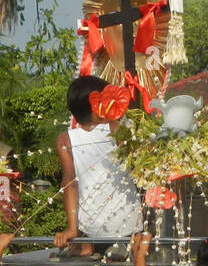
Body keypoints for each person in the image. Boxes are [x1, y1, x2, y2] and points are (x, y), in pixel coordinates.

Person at [53, 75, 143, 254]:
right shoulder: (118, 128)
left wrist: (72, 229)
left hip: (90, 227)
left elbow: (69, 182)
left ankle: (85, 246)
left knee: (85, 251)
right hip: (128, 222)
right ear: (98, 103)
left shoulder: (65, 139)